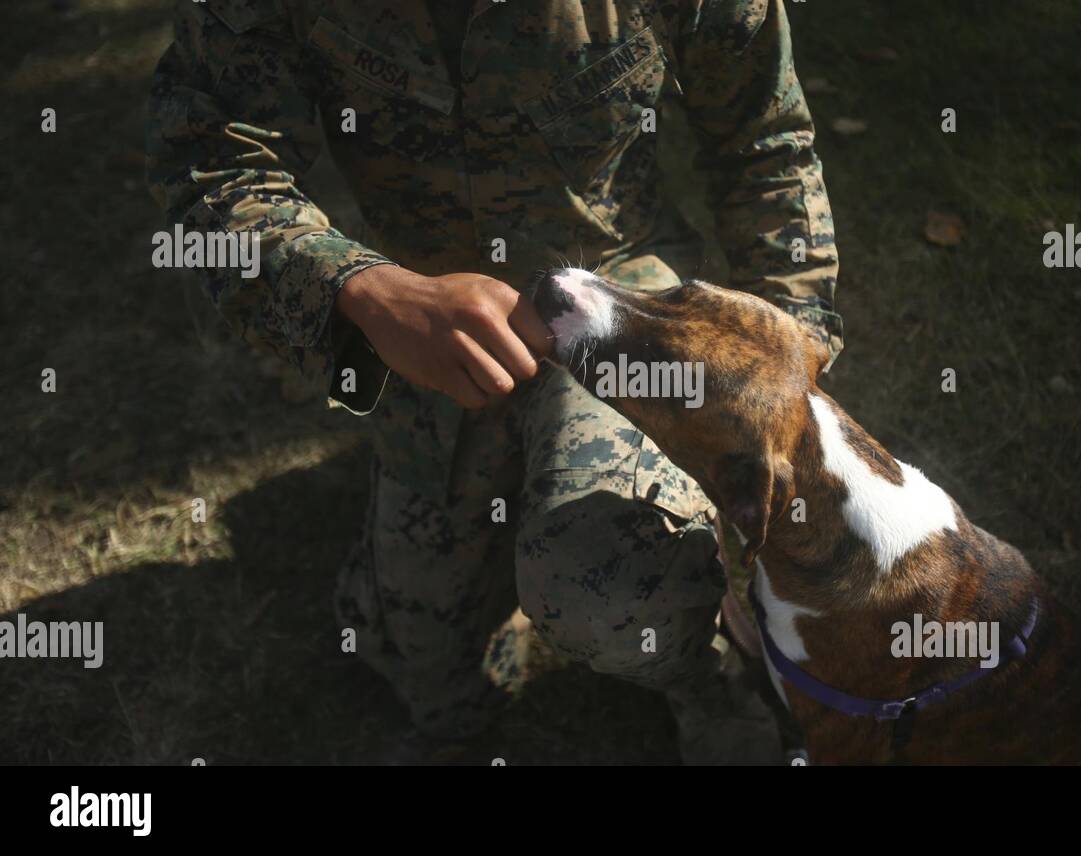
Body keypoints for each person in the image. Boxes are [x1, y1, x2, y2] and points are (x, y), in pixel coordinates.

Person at [146, 0, 842, 763]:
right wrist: (363, 289)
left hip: (620, 298)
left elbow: (764, 142)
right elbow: (211, 156)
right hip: (422, 319)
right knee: (427, 671)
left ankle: (712, 667)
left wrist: (789, 364)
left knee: (614, 590)